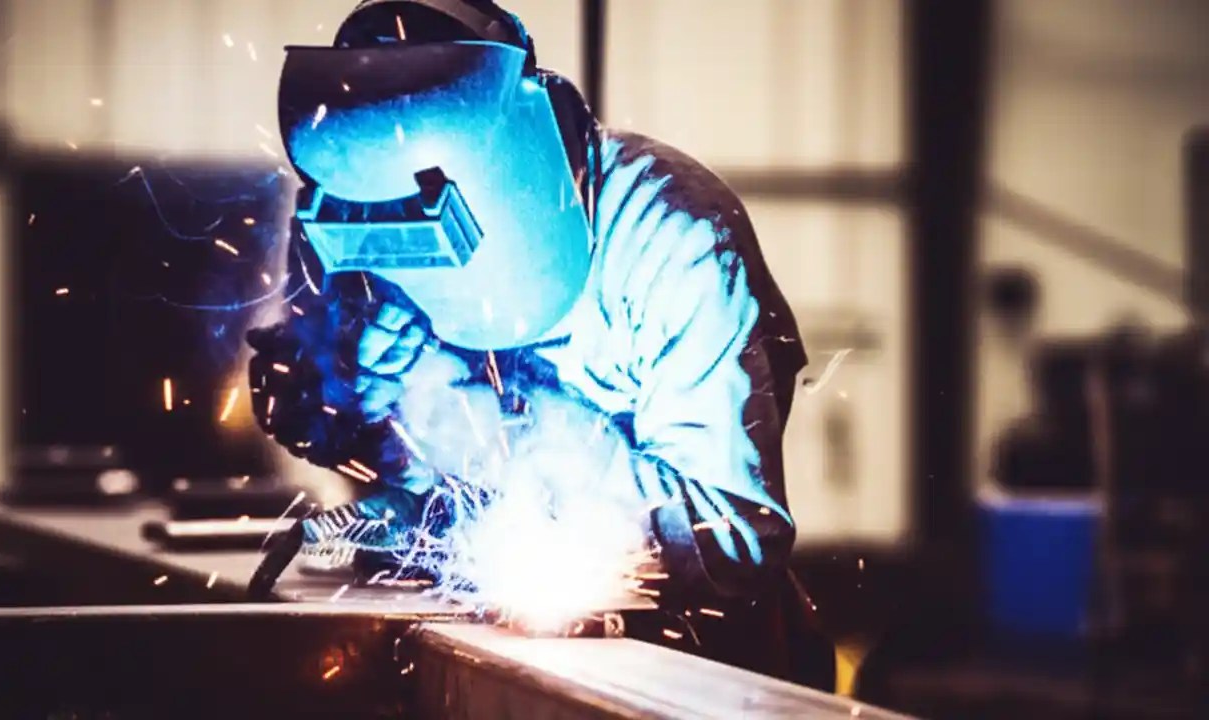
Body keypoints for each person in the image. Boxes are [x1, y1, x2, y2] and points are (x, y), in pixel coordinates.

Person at [248, 0, 828, 685]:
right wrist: (337, 397)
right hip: (451, 626)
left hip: (694, 665)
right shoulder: (344, 192)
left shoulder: (672, 230)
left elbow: (734, 539)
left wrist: (503, 428)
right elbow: (335, 425)